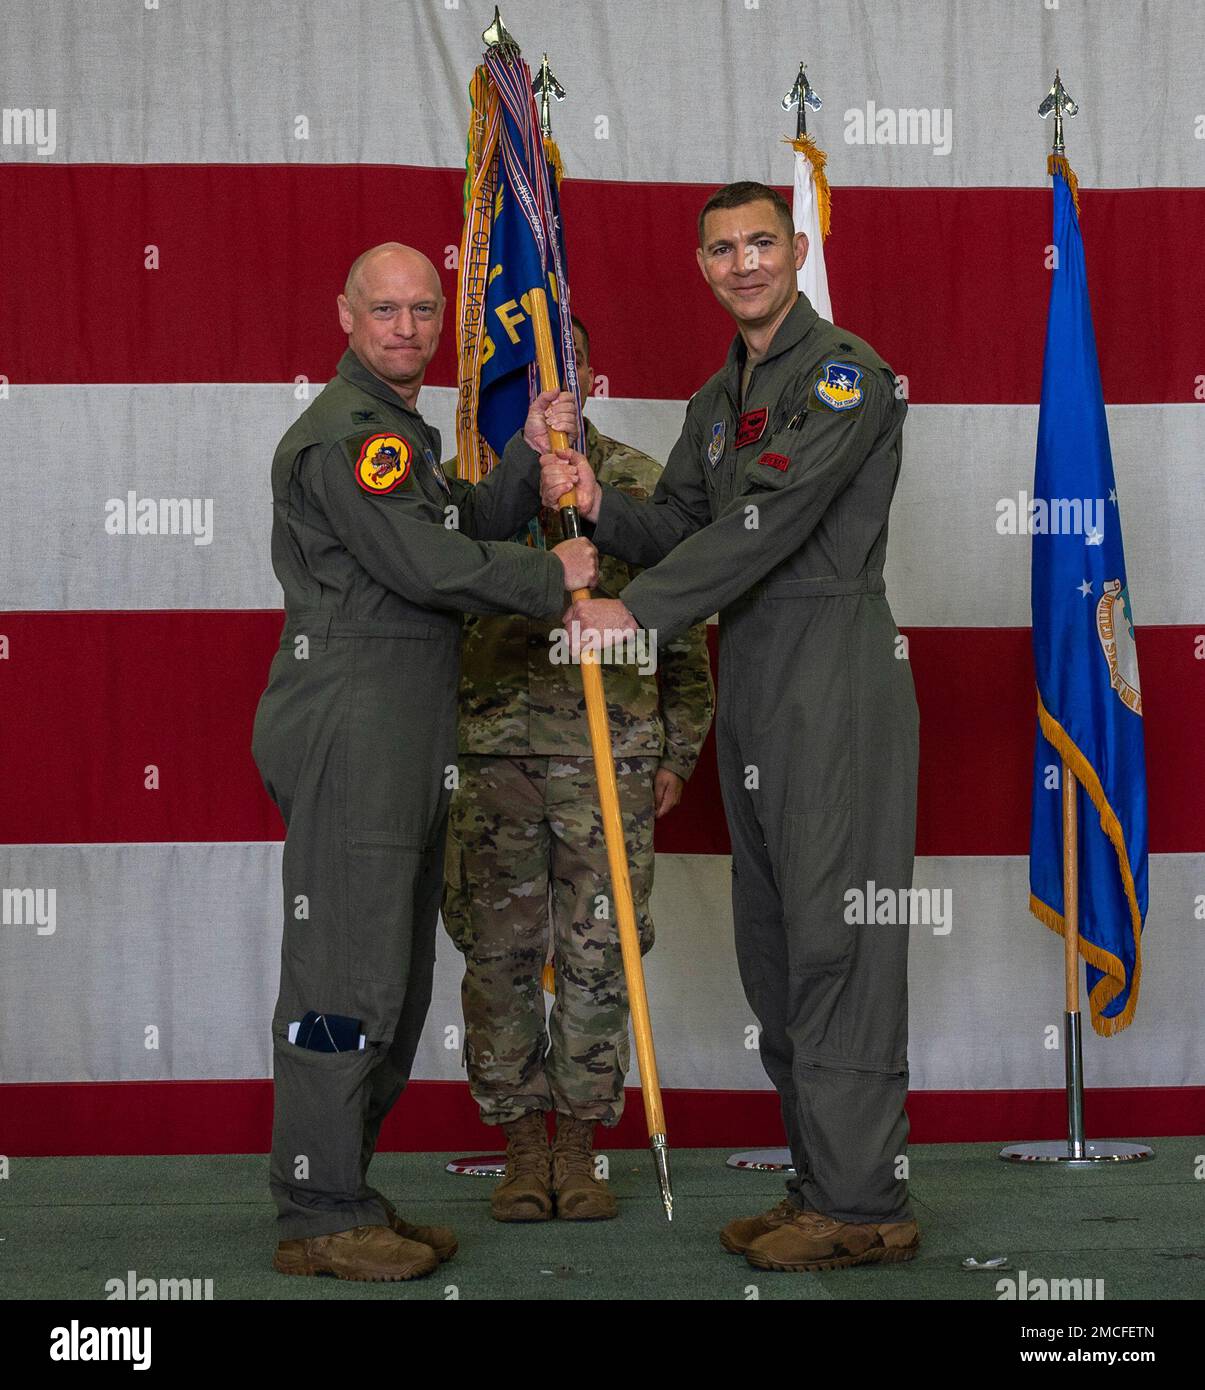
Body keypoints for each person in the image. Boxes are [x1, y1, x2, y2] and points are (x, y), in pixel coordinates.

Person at [540, 183, 920, 1272]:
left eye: (760, 243)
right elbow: (682, 522)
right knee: (776, 946)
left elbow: (769, 519)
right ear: (702, 265)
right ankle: (822, 1182)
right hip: (753, 671)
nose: (742, 263)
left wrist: (637, 615)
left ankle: (862, 1201)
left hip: (831, 673)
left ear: (795, 251)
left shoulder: (842, 373)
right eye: (721, 249)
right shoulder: (719, 396)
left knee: (834, 942)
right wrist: (600, 505)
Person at [251, 242, 597, 1281]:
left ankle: (344, 1193)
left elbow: (448, 524)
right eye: (384, 309)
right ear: (344, 315)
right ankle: (318, 1209)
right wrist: (550, 574)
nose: (405, 328)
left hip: (393, 730)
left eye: (422, 310)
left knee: (387, 979)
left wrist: (524, 457)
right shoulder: (350, 435)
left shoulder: (394, 431)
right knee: (341, 979)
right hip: (353, 728)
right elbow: (426, 564)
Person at [442, 315, 715, 1222]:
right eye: (525, 373)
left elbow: (682, 622)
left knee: (601, 954)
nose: (546, 387)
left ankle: (578, 1143)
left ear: (591, 377)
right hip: (490, 756)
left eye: (562, 367)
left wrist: (678, 747)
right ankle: (522, 1142)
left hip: (611, 754)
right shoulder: (464, 489)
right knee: (499, 954)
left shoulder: (637, 482)